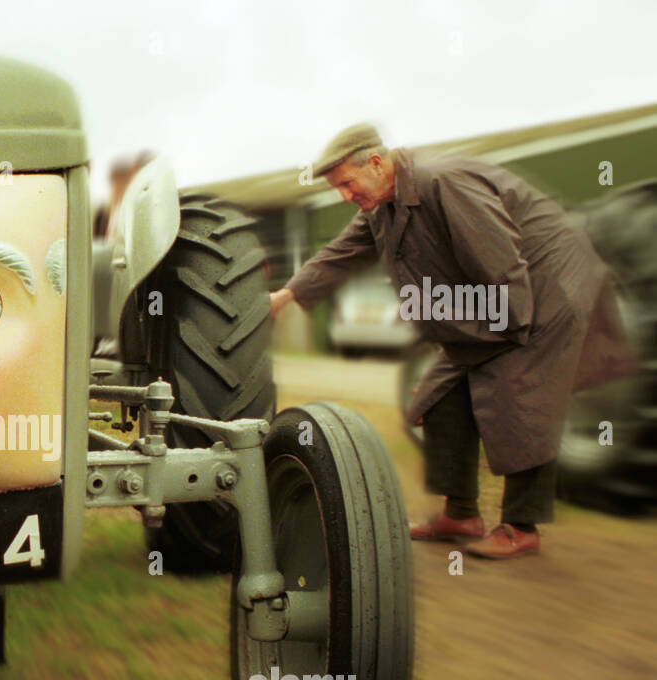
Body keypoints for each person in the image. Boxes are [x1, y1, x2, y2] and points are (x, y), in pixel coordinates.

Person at [268, 124, 635, 559]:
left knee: (521, 395)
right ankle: (460, 514)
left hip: (544, 291)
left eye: (347, 184)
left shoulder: (444, 183)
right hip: (494, 300)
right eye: (337, 189)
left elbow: (498, 258)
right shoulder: (381, 204)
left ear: (377, 163)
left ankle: (521, 526)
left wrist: (512, 334)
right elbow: (341, 251)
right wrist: (287, 294)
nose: (344, 196)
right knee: (441, 394)